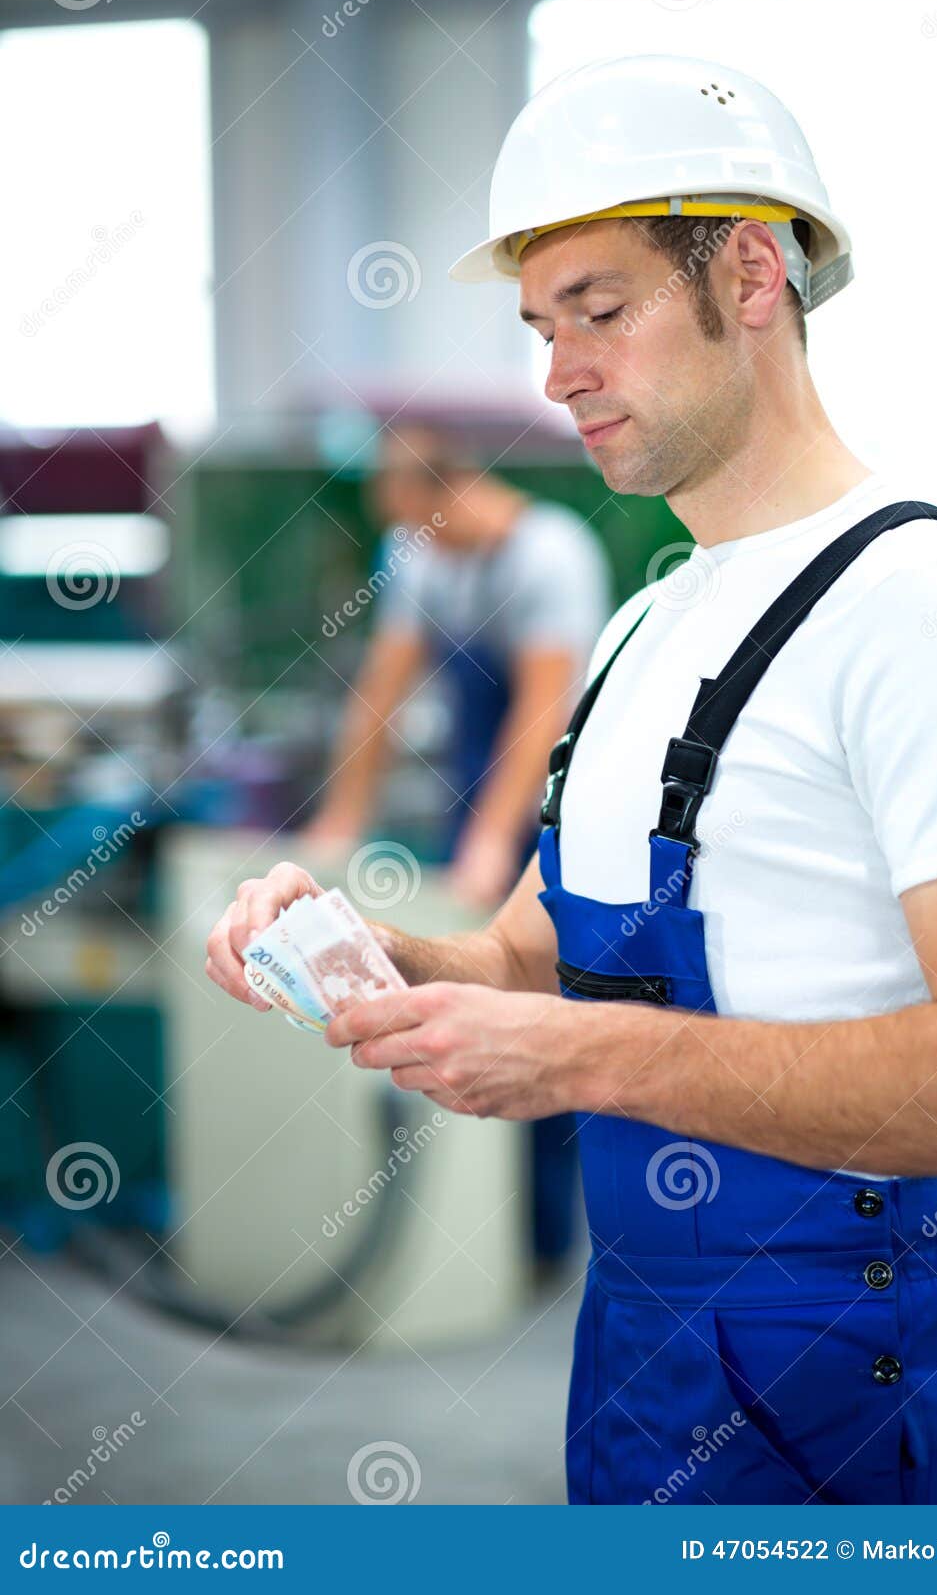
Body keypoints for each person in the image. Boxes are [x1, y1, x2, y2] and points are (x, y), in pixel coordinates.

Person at [208, 55, 937, 1505]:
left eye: (599, 311)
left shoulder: (924, 606)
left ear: (748, 274)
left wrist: (587, 1061)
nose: (557, 373)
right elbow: (546, 948)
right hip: (637, 1349)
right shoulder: (640, 624)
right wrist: (392, 963)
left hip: (837, 1365)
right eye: (543, 328)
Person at [301, 418, 610, 1272]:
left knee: (544, 1001)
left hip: (555, 801)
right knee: (460, 1005)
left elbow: (541, 718)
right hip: (472, 789)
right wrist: (342, 816)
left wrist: (489, 844)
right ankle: (475, 1238)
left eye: (412, 520)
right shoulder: (420, 559)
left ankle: (545, 1244)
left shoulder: (552, 556)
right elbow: (380, 695)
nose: (403, 541)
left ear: (455, 486)